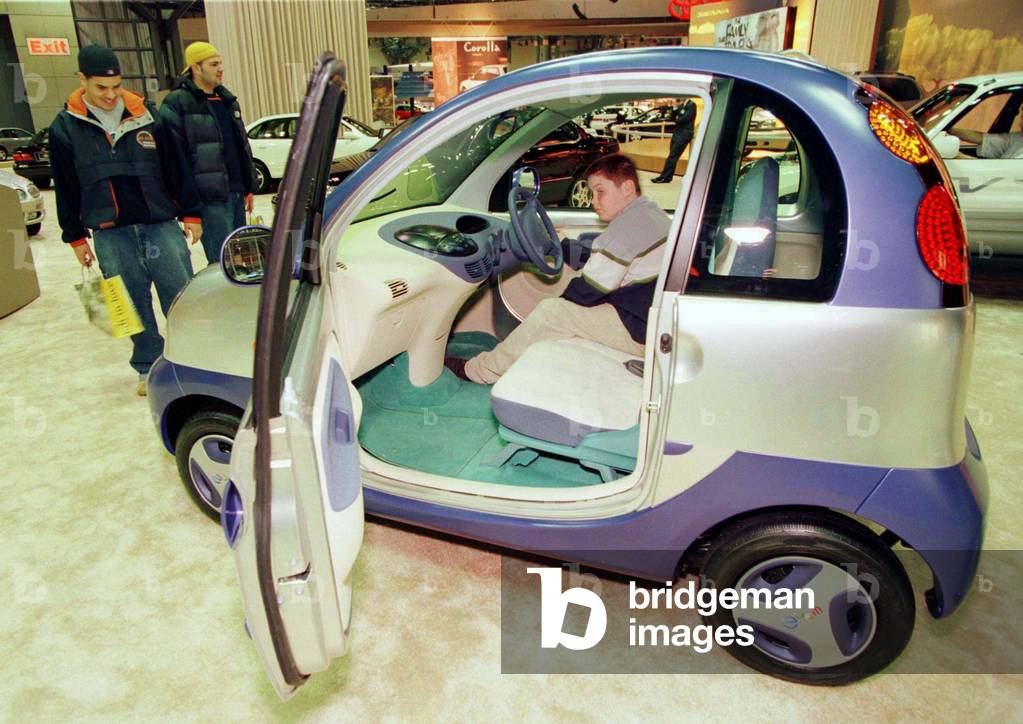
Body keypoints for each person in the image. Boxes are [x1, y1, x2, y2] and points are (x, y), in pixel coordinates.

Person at [50, 45, 200, 396]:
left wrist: (191, 212)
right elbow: (66, 185)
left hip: (159, 225)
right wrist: (75, 237)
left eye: (116, 86)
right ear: (82, 80)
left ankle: (191, 358)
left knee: (181, 296)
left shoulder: (147, 115)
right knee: (131, 304)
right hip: (110, 234)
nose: (110, 95)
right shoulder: (65, 127)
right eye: (101, 87)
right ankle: (148, 365)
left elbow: (176, 167)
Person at [447, 154, 670, 385]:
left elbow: (588, 291)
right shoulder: (649, 213)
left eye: (600, 191)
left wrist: (560, 305)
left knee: (551, 312)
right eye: (591, 193)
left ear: (627, 188)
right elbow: (608, 264)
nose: (593, 200)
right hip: (647, 316)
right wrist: (563, 248)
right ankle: (523, 348)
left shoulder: (628, 227)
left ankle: (480, 371)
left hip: (639, 332)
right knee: (566, 285)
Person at [160, 41, 257, 264]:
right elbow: (175, 159)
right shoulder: (177, 104)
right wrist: (189, 209)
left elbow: (241, 145)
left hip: (236, 194)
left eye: (220, 63)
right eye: (213, 64)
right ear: (196, 67)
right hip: (209, 200)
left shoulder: (227, 101)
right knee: (222, 263)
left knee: (243, 262)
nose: (220, 69)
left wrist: (248, 185)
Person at [651, 99, 696, 183]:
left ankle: (664, 177)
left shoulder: (691, 105)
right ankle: (667, 177)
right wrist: (675, 108)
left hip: (684, 134)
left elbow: (686, 118)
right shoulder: (681, 105)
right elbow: (672, 118)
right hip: (677, 134)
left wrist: (678, 119)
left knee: (672, 156)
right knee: (672, 156)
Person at [949, 111, 1023, 159]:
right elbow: (981, 138)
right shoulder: (1018, 139)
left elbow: (998, 171)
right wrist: (949, 129)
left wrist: (958, 156)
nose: (1020, 124)